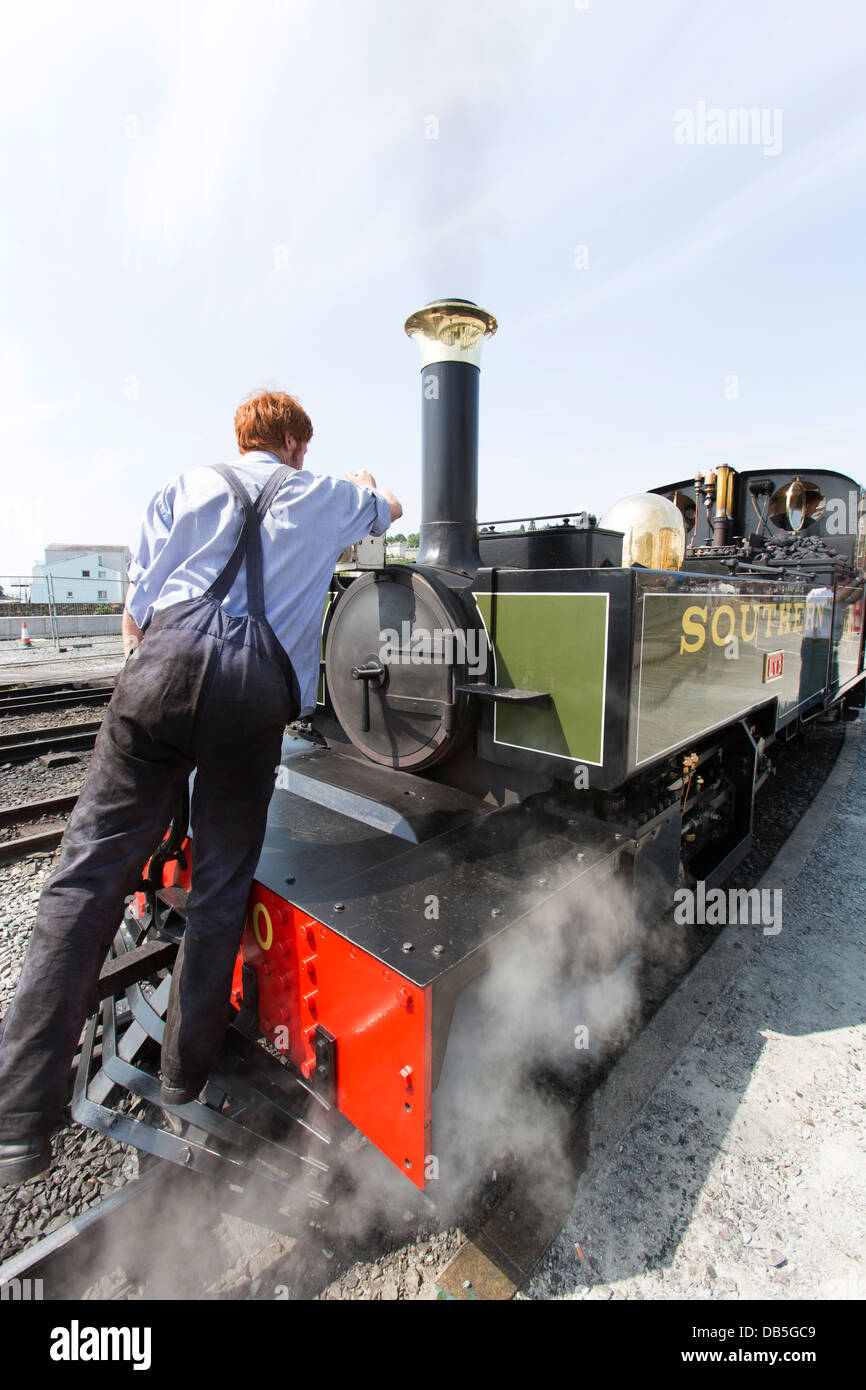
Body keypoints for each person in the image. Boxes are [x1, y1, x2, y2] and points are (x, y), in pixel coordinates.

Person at [0, 389, 402, 1185]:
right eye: (304, 447)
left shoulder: (182, 486)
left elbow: (134, 617)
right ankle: (187, 1070)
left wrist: (155, 698)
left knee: (83, 881)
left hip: (157, 669)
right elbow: (390, 508)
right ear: (292, 442)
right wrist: (368, 485)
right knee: (222, 887)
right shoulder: (320, 494)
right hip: (254, 694)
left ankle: (17, 1119)